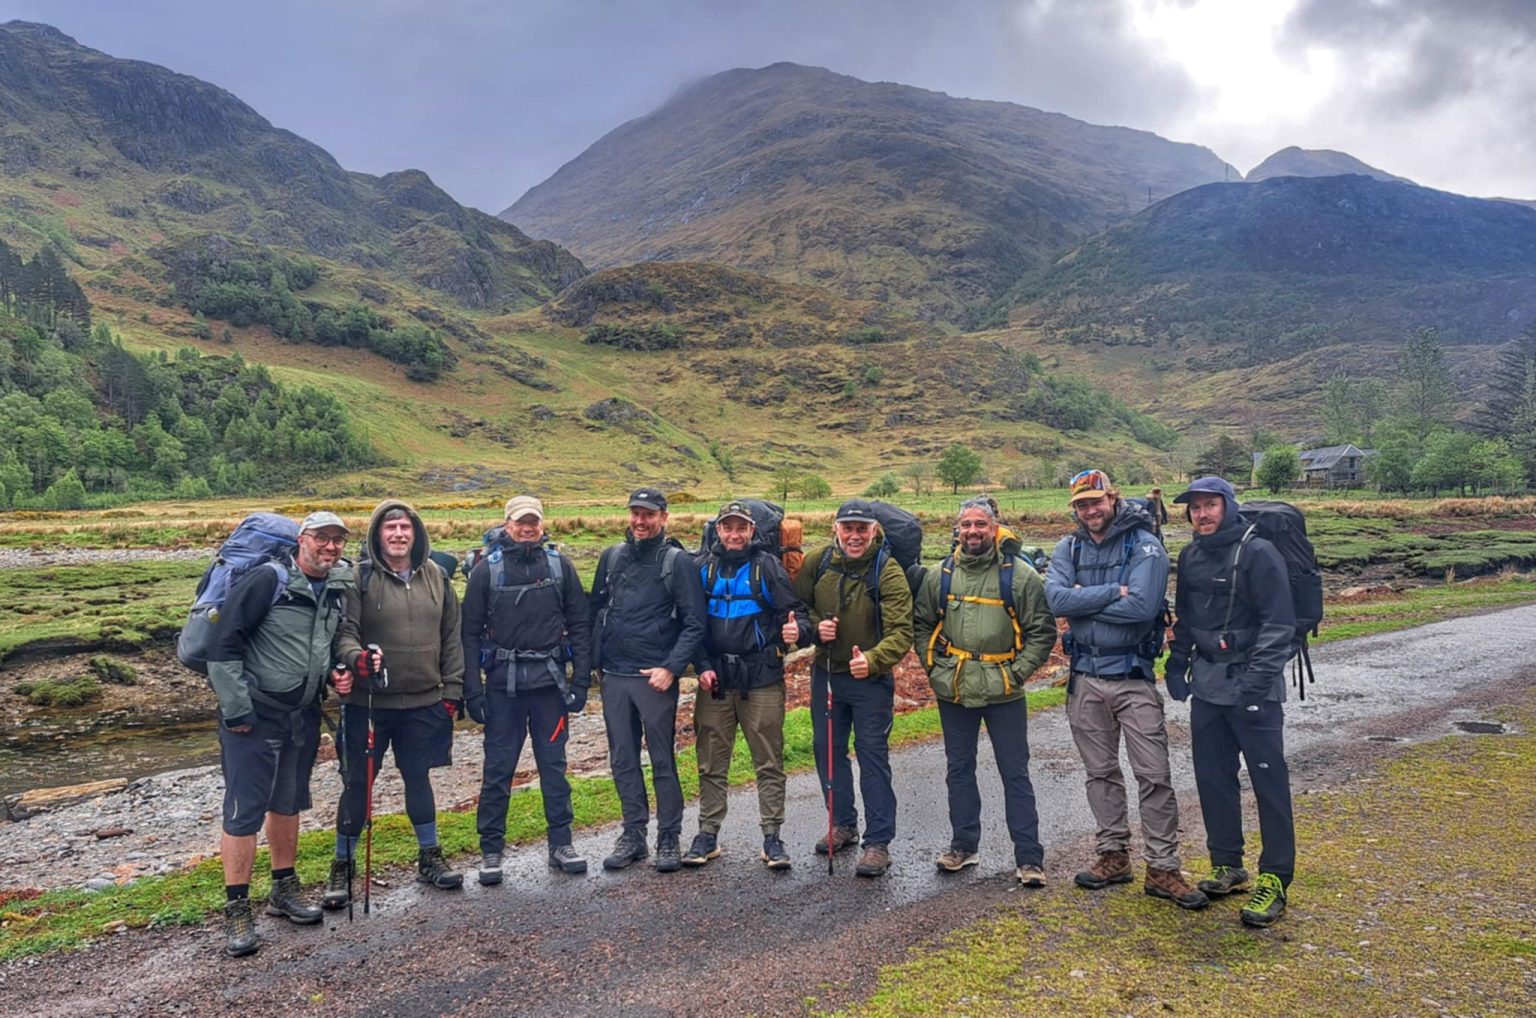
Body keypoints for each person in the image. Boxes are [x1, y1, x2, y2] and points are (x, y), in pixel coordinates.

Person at [1045, 469, 1208, 909]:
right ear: (1074, 509)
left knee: (1154, 775)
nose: (1090, 510)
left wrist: (1084, 598)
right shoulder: (1068, 546)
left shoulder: (1146, 545)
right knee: (1100, 774)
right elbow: (1056, 601)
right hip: (1084, 680)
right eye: (1081, 504)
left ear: (1112, 498)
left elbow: (1142, 607)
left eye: (1096, 501)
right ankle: (1113, 856)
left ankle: (1163, 867)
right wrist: (1108, 593)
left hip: (1133, 678)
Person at [206, 511, 356, 958]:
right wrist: (237, 712)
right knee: (243, 811)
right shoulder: (267, 580)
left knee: (288, 801)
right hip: (255, 717)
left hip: (301, 716)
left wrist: (336, 674)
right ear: (301, 539)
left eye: (338, 540)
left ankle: (283, 889)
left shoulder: (332, 590)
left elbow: (320, 649)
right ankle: (237, 909)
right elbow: (222, 645)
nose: (330, 547)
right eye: (322, 538)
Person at [1165, 475, 1298, 927]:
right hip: (1208, 686)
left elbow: (1278, 624)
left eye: (1210, 505)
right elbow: (1185, 618)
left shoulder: (1259, 552)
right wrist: (1176, 664)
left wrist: (1255, 685)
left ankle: (1276, 878)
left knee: (1269, 784)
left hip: (1253, 688)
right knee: (1212, 776)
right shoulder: (1189, 554)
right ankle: (1228, 864)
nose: (1201, 514)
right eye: (1195, 507)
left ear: (1228, 505)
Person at [326, 500, 465, 909]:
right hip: (367, 702)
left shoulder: (438, 577)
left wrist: (453, 692)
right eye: (391, 528)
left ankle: (429, 855)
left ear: (416, 532)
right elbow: (345, 634)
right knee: (356, 784)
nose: (399, 534)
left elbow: (452, 638)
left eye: (405, 527)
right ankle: (342, 864)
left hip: (423, 701)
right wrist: (356, 660)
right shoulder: (358, 578)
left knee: (418, 778)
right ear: (377, 535)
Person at [915, 498, 1056, 886]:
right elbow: (922, 625)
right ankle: (964, 846)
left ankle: (1029, 858)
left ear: (994, 528)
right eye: (966, 525)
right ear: (957, 530)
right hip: (954, 690)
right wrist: (935, 671)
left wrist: (1014, 675)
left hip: (1004, 694)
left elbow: (1042, 633)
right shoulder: (939, 574)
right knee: (958, 770)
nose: (973, 531)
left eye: (980, 524)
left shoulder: (1021, 577)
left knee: (1015, 773)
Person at [461, 495, 593, 885]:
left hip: (550, 689)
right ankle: (490, 851)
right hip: (503, 690)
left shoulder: (560, 566)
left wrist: (581, 681)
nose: (528, 528)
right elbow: (468, 634)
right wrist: (474, 691)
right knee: (498, 771)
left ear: (542, 524)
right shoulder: (486, 572)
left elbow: (580, 625)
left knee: (554, 768)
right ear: (506, 525)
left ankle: (562, 844)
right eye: (520, 522)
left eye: (533, 521)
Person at [683, 501, 809, 869]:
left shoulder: (766, 566)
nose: (734, 534)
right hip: (716, 682)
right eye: (728, 527)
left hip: (762, 679)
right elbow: (693, 625)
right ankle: (707, 836)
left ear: (753, 531)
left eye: (741, 528)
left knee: (768, 761)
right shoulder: (702, 569)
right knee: (710, 762)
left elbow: (796, 612)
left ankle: (773, 838)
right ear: (717, 530)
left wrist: (797, 630)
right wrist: (701, 667)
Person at [793, 499, 914, 878]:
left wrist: (874, 660)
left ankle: (878, 843)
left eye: (863, 528)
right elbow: (797, 607)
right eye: (849, 527)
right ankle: (842, 825)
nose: (855, 535)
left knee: (872, 755)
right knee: (827, 751)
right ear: (835, 528)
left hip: (869, 681)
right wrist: (815, 628)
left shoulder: (888, 571)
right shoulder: (818, 562)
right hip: (827, 673)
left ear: (874, 531)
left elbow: (901, 632)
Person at [588, 487, 707, 873]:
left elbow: (694, 623)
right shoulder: (611, 557)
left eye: (649, 515)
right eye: (635, 514)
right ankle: (633, 834)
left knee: (661, 760)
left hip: (654, 677)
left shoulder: (677, 562)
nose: (640, 522)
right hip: (615, 676)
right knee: (622, 759)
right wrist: (596, 662)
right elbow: (597, 609)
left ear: (663, 517)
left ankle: (668, 836)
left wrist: (671, 668)